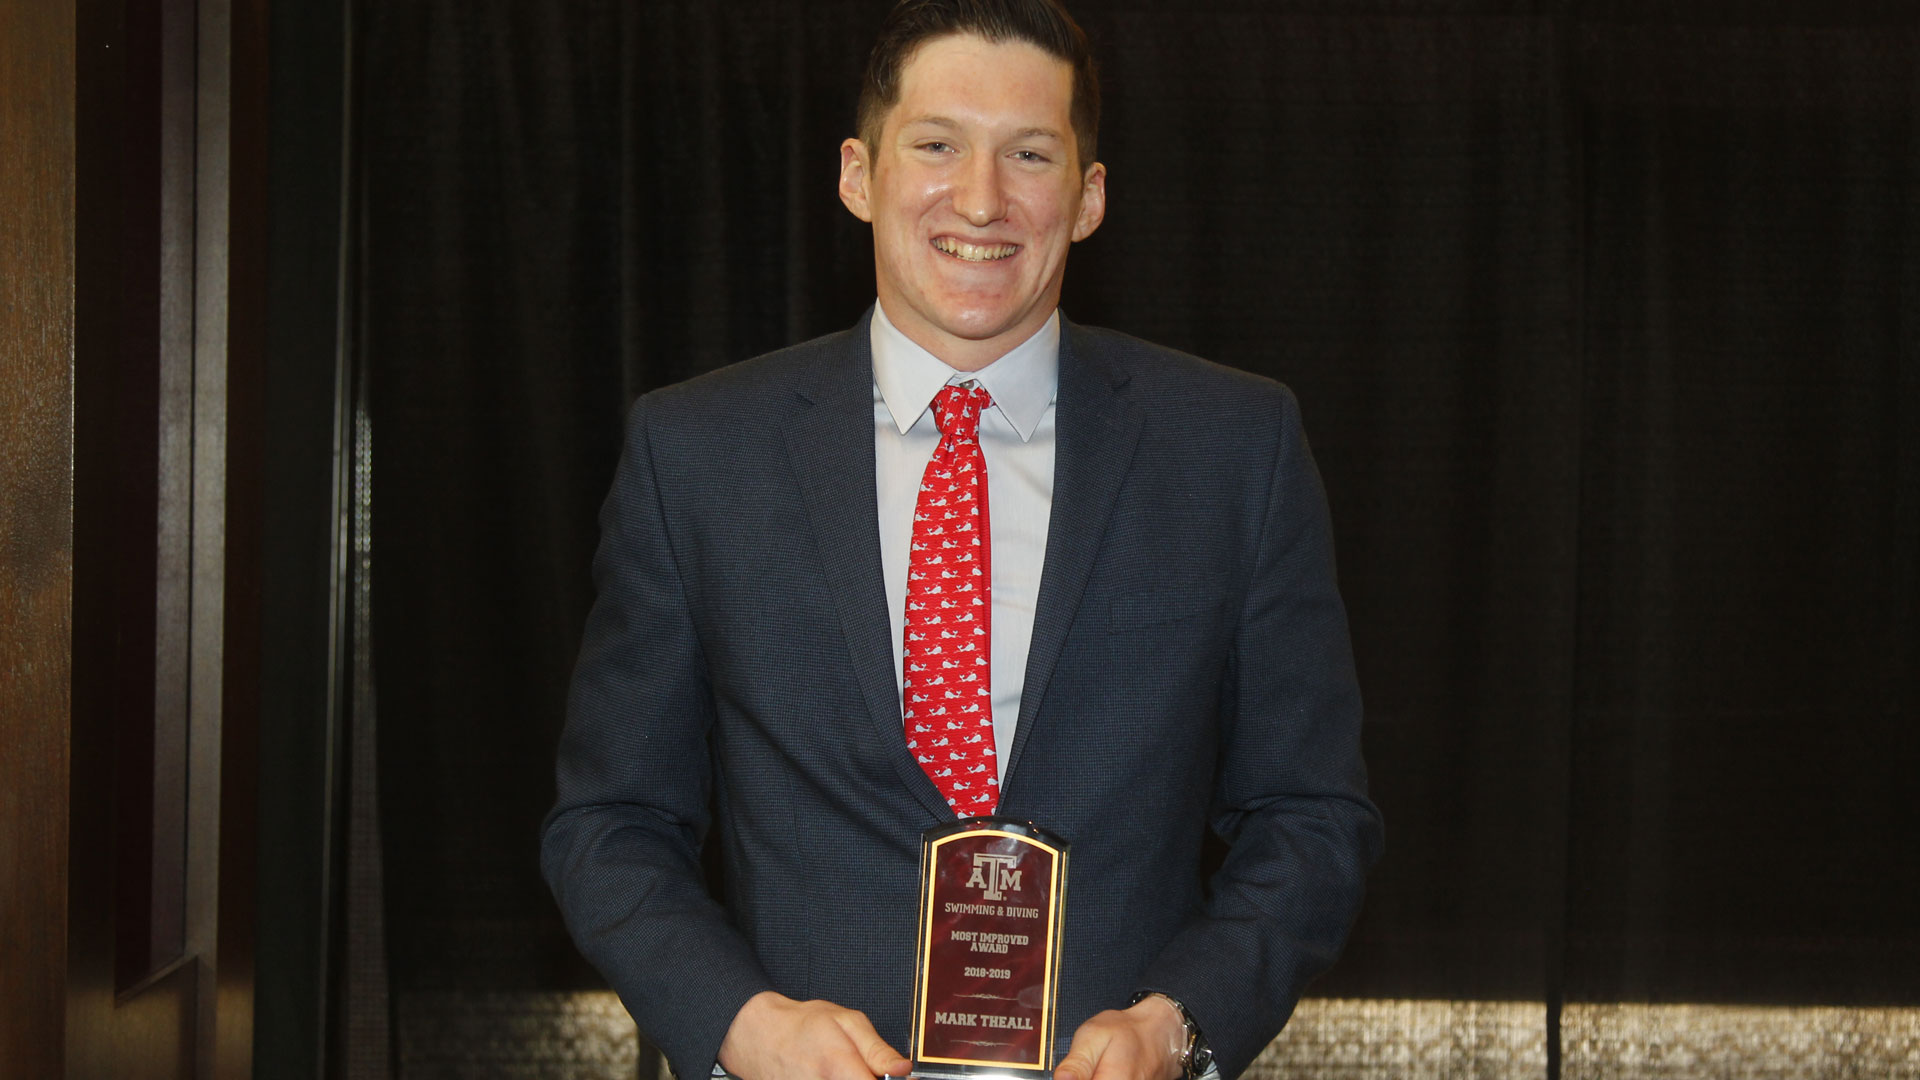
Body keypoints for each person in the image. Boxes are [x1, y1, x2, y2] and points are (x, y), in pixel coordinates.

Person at [541, 3, 1382, 1080]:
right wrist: (743, 1027)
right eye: (937, 145)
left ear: (1087, 198)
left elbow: (1312, 816)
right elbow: (609, 825)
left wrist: (1177, 1024)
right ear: (859, 175)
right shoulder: (697, 454)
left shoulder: (1233, 450)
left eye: (1029, 155)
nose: (981, 199)